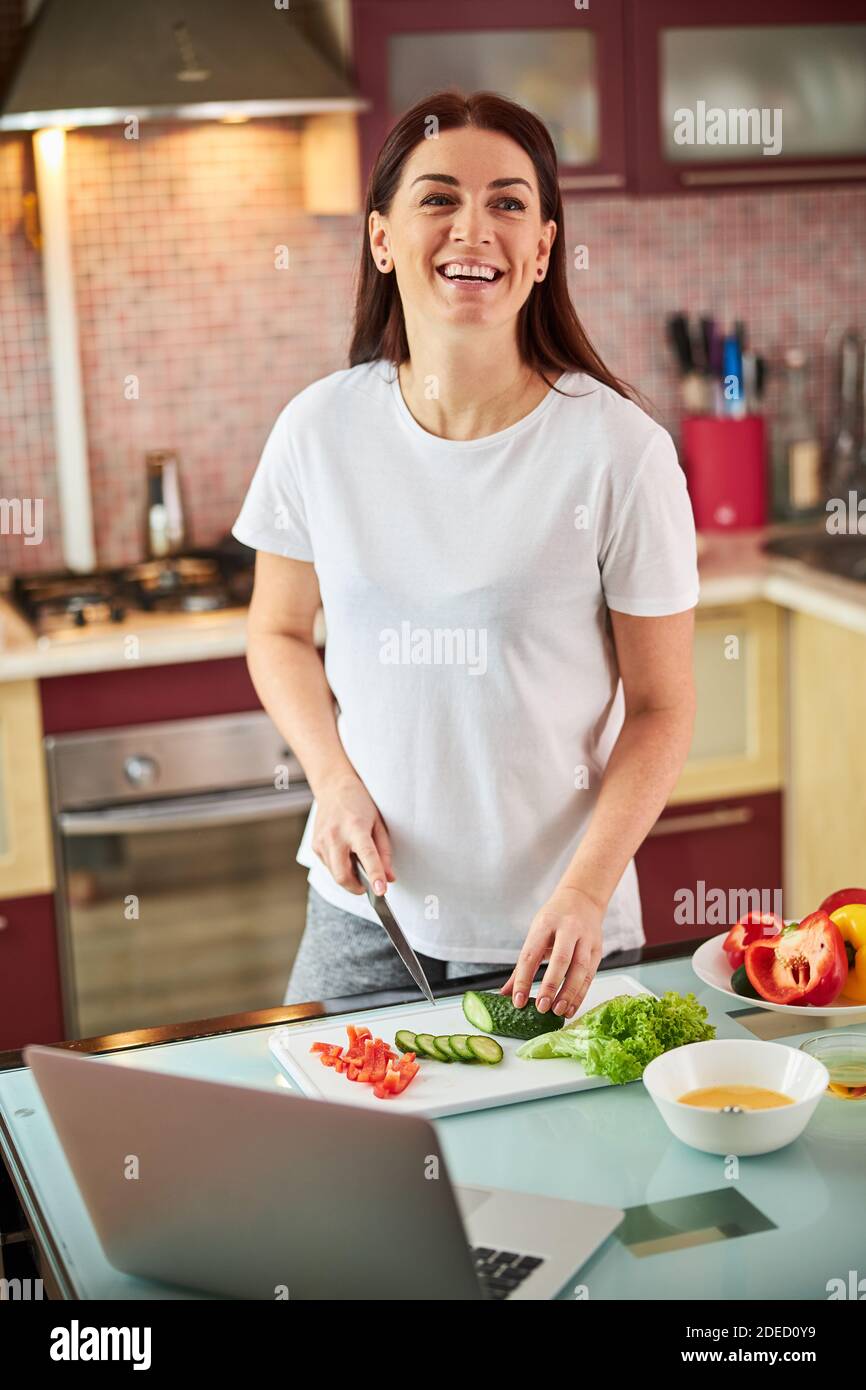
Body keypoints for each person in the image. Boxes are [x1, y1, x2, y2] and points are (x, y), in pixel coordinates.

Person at [232, 90, 699, 1018]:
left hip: (557, 932)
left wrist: (586, 891)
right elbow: (278, 633)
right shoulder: (318, 429)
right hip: (366, 913)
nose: (472, 228)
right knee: (329, 1156)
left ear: (542, 248)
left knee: (563, 1167)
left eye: (509, 202)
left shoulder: (621, 453)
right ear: (381, 239)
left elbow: (662, 708)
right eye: (438, 198)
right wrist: (331, 780)